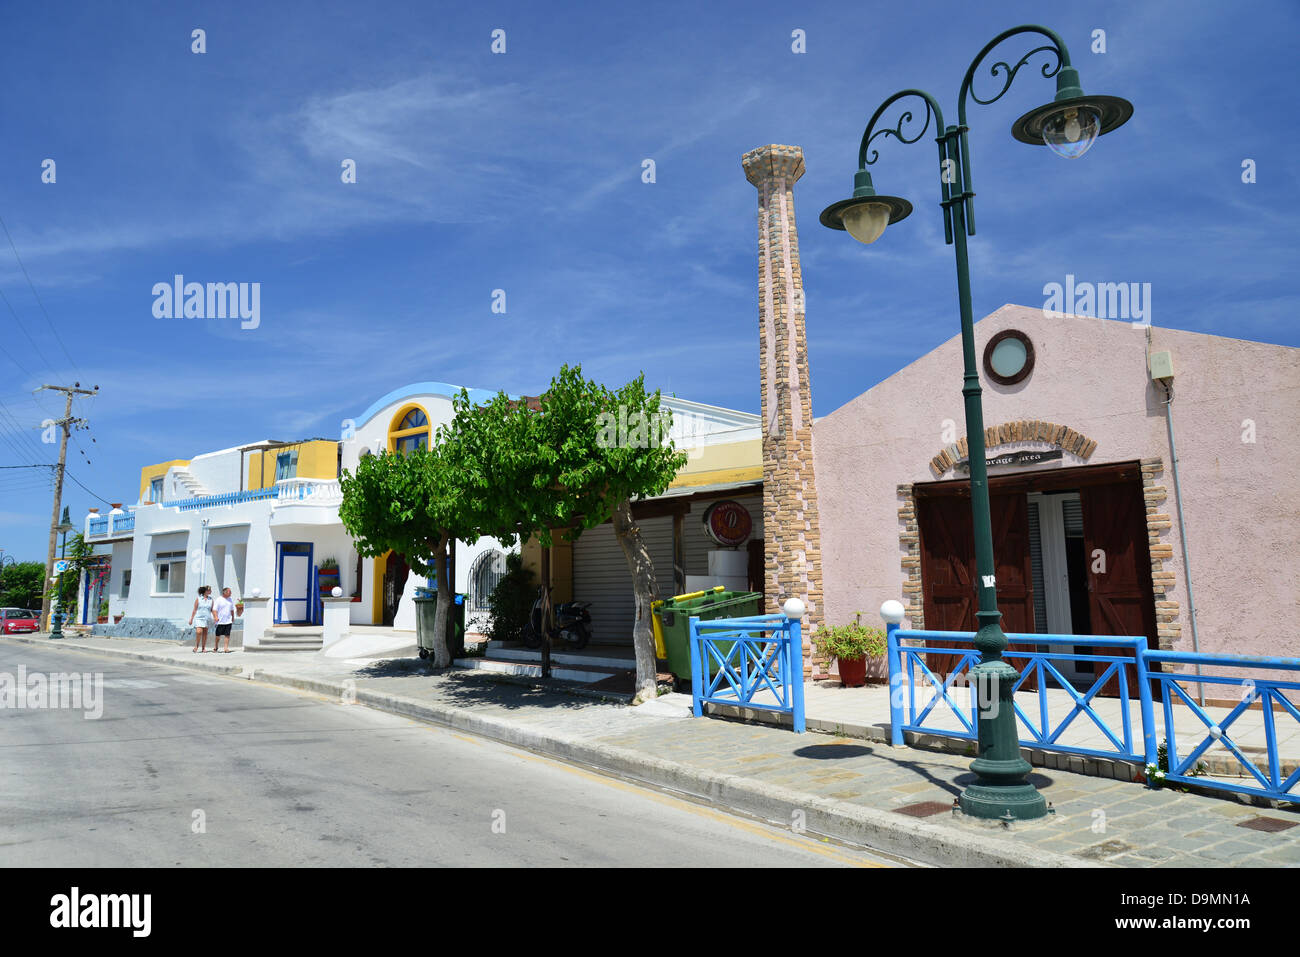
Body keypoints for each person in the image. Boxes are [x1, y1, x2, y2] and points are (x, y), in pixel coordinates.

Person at [189, 585, 214, 652]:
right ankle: (196, 646)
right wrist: (191, 619)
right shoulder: (198, 599)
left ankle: (203, 648)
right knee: (199, 632)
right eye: (209, 590)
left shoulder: (211, 600)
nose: (211, 591)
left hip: (207, 618)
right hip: (199, 618)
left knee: (205, 633)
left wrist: (215, 617)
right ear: (206, 591)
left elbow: (212, 609)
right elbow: (194, 609)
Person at [212, 587, 236, 653]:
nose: (231, 593)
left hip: (228, 620)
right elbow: (214, 610)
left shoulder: (230, 599)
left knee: (227, 634)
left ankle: (226, 648)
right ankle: (216, 646)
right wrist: (215, 617)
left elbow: (232, 609)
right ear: (225, 592)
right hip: (220, 621)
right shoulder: (219, 599)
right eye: (229, 592)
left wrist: (233, 617)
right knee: (218, 635)